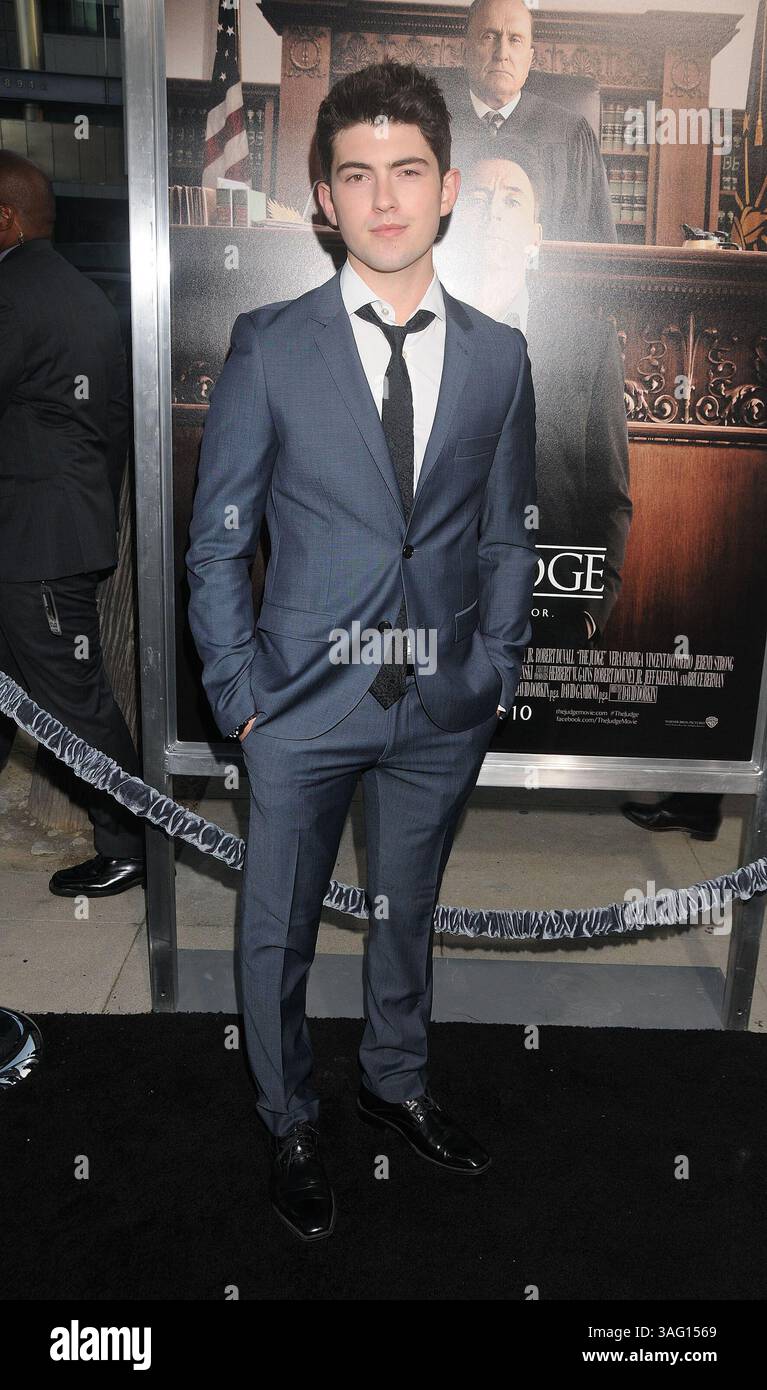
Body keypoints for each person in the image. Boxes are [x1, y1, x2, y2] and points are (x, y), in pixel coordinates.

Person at [185, 60, 537, 1241]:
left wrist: (492, 670)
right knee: (276, 925)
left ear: (445, 191)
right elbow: (217, 538)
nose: (383, 200)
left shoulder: (499, 354)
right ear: (322, 201)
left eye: (406, 173)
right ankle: (288, 1113)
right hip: (297, 705)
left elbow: (502, 534)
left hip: (438, 703)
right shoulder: (270, 345)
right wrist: (238, 696)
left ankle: (393, 1081)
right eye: (355, 176)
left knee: (407, 908)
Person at [0, 151, 145, 896]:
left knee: (74, 704)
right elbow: (111, 429)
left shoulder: (11, 293)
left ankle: (130, 846)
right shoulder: (90, 300)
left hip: (34, 546)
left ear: (7, 218)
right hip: (59, 532)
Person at [437, 142, 631, 658]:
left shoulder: (589, 346)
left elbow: (610, 498)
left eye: (513, 200)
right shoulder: (412, 332)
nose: (494, 210)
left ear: (536, 238)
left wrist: (591, 615)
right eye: (479, 197)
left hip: (549, 616)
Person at [442, 0, 616, 244]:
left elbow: (598, 251)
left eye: (515, 40)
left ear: (530, 59)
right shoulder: (429, 127)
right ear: (465, 51)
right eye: (489, 36)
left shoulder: (570, 134)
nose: (501, 54)